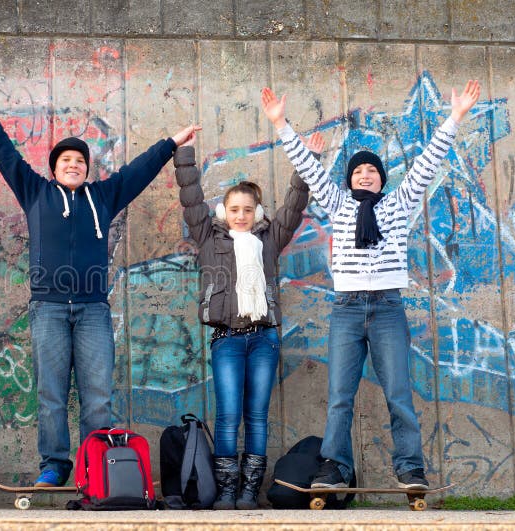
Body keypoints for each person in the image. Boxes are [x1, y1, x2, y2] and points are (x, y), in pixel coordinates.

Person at [0, 80, 199, 487]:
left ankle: (94, 467)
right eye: (65, 160)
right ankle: (55, 464)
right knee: (51, 395)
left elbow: (140, 169)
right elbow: (3, 151)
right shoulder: (34, 193)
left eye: (79, 161)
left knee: (98, 398)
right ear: (53, 168)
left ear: (88, 169)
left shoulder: (103, 197)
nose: (73, 165)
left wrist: (172, 143)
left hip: (93, 312)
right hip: (48, 309)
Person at [260, 80, 481, 489]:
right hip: (346, 309)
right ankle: (335, 467)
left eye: (371, 171)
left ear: (381, 179)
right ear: (350, 180)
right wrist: (281, 125)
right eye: (358, 171)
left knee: (398, 393)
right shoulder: (338, 202)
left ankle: (410, 468)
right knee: (340, 397)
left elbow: (427, 164)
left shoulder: (399, 203)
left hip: (387, 309)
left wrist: (455, 117)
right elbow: (309, 168)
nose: (365, 175)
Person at [173, 130, 322, 509]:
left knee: (256, 417)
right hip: (227, 340)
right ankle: (226, 490)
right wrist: (183, 152)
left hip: (263, 340)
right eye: (234, 209)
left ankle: (248, 491)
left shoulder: (269, 241)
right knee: (227, 417)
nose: (241, 215)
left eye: (247, 209)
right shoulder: (209, 238)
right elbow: (191, 199)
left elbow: (293, 207)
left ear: (257, 212)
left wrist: (305, 165)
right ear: (224, 211)